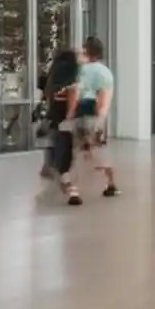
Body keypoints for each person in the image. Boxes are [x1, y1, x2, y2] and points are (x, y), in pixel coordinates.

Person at [67, 37, 118, 197]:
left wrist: (71, 113)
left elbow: (73, 92)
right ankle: (110, 184)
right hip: (95, 114)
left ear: (87, 51)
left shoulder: (78, 71)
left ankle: (74, 191)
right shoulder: (105, 73)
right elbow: (103, 97)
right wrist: (101, 118)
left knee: (75, 153)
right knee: (100, 151)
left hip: (79, 113)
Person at [42, 49, 83, 205]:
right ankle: (72, 191)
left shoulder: (53, 81)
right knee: (68, 158)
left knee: (59, 152)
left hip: (55, 121)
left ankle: (56, 177)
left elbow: (50, 102)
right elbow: (72, 105)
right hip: (67, 122)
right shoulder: (71, 83)